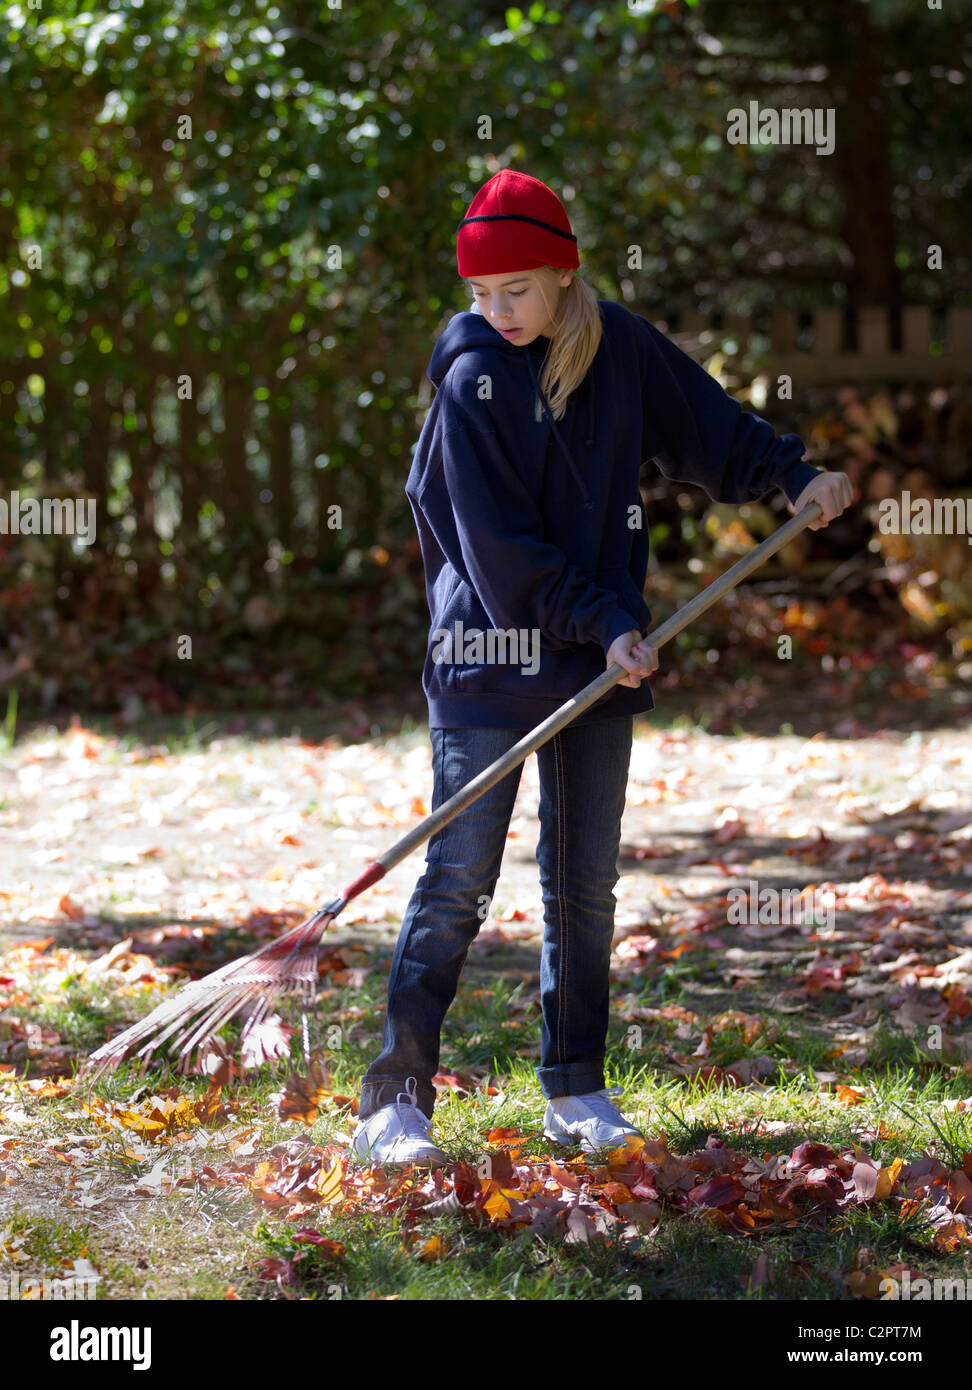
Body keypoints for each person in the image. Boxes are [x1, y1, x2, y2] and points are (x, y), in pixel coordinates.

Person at [351, 168, 853, 1165]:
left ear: (564, 274)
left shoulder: (617, 348)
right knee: (457, 876)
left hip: (600, 659)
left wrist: (790, 474)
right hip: (491, 653)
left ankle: (575, 1085)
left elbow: (709, 428)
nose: (496, 313)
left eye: (516, 292)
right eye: (481, 297)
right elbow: (501, 555)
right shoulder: (471, 380)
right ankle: (396, 1098)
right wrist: (603, 621)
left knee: (583, 886)